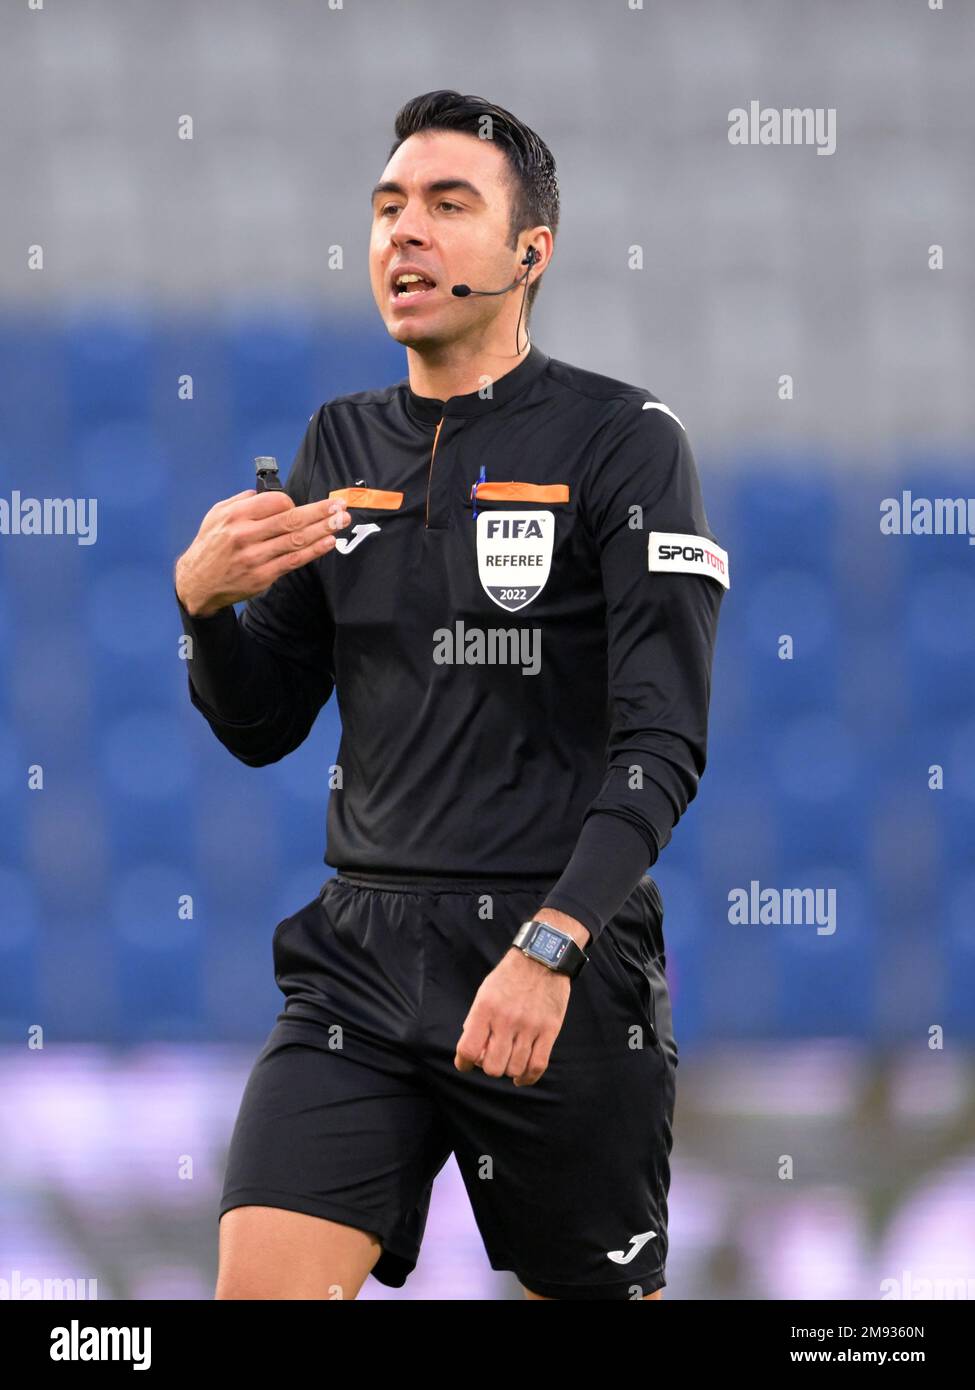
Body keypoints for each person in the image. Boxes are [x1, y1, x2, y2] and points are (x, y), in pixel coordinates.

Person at [174, 89, 729, 1301]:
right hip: (357, 962)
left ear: (531, 253)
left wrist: (553, 943)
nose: (402, 234)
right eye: (386, 208)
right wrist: (204, 613)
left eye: (444, 204)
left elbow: (663, 742)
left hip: (555, 961)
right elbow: (265, 726)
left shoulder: (626, 442)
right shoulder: (338, 444)